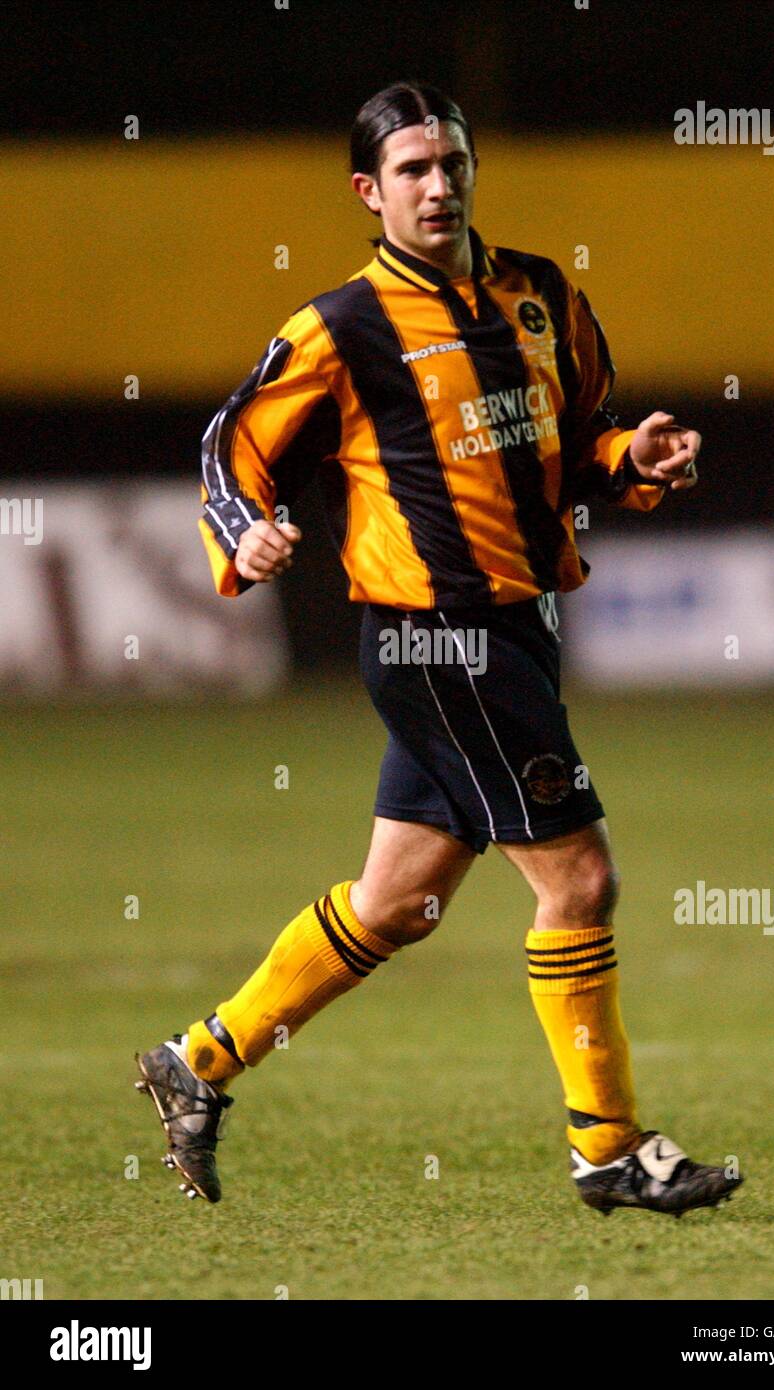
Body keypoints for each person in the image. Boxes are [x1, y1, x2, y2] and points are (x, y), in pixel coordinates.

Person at [135, 81, 742, 1218]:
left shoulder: (537, 294)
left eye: (450, 162)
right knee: (581, 877)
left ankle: (198, 1061)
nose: (437, 184)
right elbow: (232, 439)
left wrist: (634, 458)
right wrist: (245, 525)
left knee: (395, 900)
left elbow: (576, 440)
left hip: (518, 626)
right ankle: (607, 1148)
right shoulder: (341, 329)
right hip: (436, 641)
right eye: (410, 168)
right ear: (368, 192)